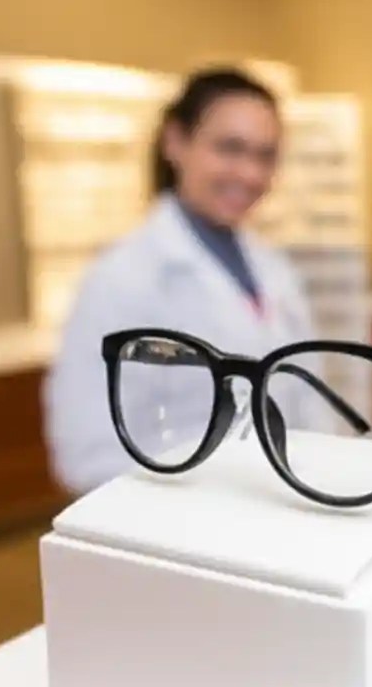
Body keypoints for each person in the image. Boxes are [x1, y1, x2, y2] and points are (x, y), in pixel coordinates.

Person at [44, 68, 329, 495]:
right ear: (175, 142)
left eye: (266, 155)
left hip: (287, 504)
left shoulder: (272, 267)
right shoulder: (122, 278)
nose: (251, 174)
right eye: (230, 148)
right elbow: (88, 455)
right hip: (188, 530)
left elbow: (307, 396)